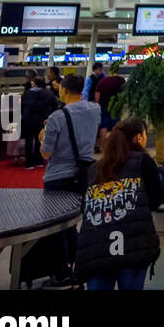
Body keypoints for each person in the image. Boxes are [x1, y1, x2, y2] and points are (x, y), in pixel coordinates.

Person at [76, 118, 164, 290]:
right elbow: (155, 201)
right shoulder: (143, 161)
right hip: (133, 246)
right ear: (139, 138)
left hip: (96, 249)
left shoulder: (95, 168)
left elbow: (85, 208)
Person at [39, 74, 101, 286]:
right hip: (83, 176)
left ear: (63, 90)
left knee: (56, 226)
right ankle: (78, 266)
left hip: (58, 176)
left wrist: (43, 134)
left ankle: (62, 273)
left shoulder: (57, 117)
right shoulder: (95, 110)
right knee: (72, 222)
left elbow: (46, 153)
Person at [21, 76, 59, 169]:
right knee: (40, 140)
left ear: (34, 83)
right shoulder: (48, 93)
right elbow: (55, 104)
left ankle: (29, 163)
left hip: (28, 119)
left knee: (29, 141)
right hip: (42, 120)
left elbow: (22, 106)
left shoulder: (27, 93)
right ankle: (39, 160)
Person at [92, 66, 126, 141]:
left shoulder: (102, 81)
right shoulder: (121, 80)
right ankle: (113, 144)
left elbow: (97, 96)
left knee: (103, 126)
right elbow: (125, 93)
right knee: (115, 125)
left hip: (103, 106)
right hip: (116, 106)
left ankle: (102, 146)